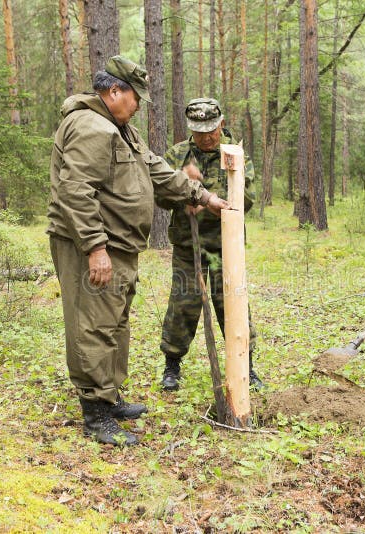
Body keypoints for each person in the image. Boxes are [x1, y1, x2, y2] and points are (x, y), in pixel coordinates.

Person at [47, 57, 230, 446]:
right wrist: (94, 247)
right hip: (96, 244)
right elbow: (75, 189)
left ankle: (109, 396)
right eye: (136, 97)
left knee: (114, 321)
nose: (139, 105)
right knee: (94, 324)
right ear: (114, 91)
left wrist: (204, 195)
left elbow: (157, 171)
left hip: (121, 244)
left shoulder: (121, 129)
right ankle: (96, 412)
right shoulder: (89, 126)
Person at [157, 98, 264, 392]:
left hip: (225, 248)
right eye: (198, 131)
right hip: (187, 247)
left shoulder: (235, 155)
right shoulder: (178, 154)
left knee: (233, 307)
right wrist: (185, 188)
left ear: (222, 124)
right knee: (183, 305)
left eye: (211, 130)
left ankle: (247, 367)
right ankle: (172, 367)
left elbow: (247, 199)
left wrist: (204, 198)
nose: (205, 137)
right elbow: (161, 196)